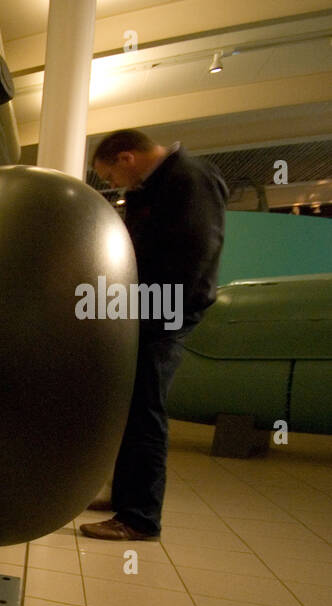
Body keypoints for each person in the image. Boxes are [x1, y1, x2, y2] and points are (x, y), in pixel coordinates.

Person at [80, 130, 227, 541]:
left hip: (162, 314)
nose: (115, 185)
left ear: (126, 157)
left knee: (146, 410)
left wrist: (148, 311)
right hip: (151, 311)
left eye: (111, 175)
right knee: (133, 409)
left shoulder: (188, 179)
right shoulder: (164, 185)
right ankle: (127, 498)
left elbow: (192, 255)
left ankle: (140, 517)